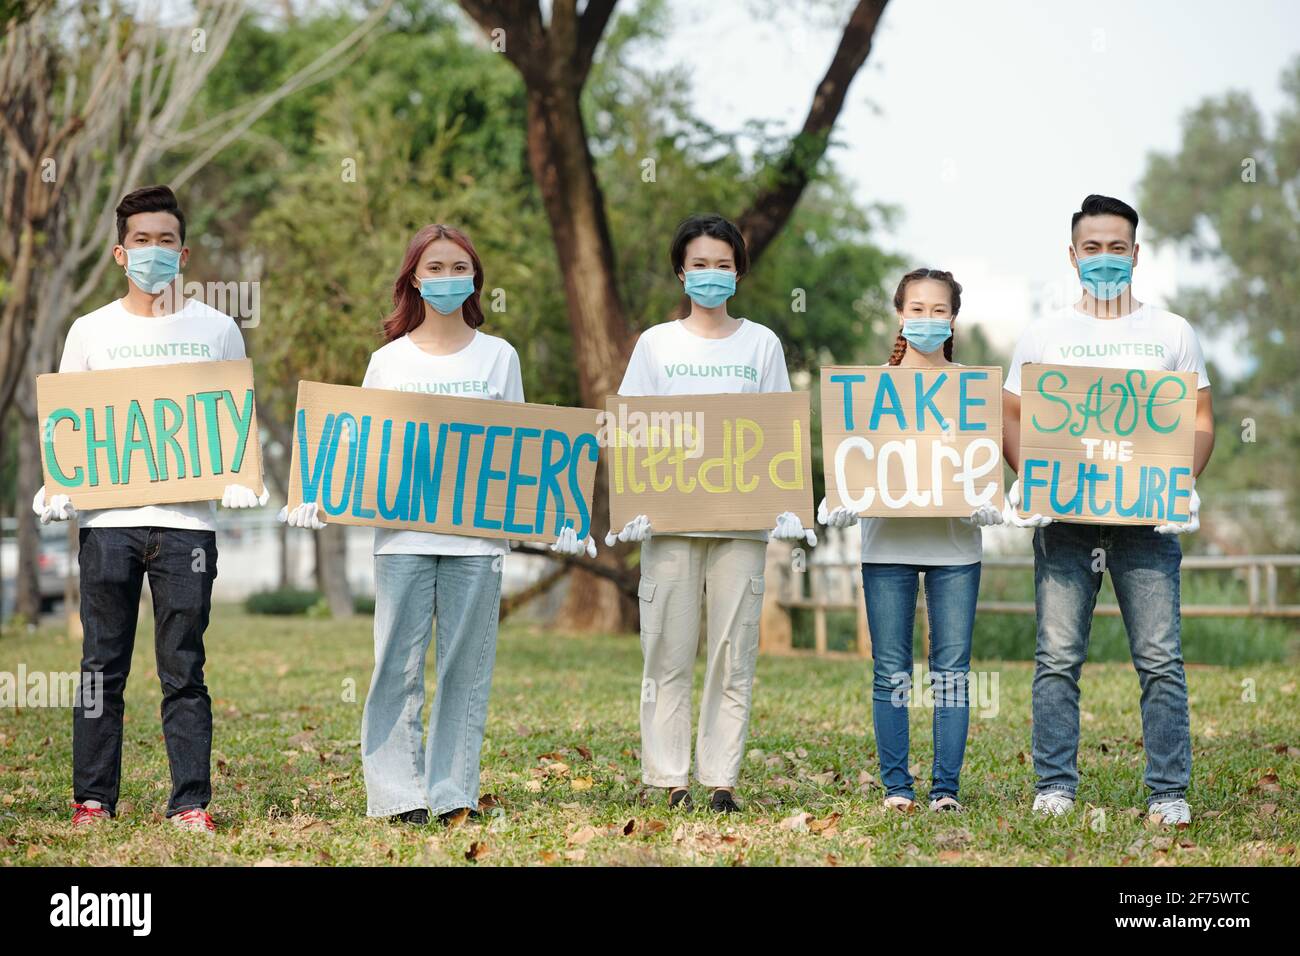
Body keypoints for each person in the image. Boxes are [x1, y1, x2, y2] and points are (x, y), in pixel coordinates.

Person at [280, 224, 595, 826]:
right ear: (413, 280)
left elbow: (517, 452)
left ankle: (454, 793)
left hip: (477, 544)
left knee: (464, 670)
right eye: (435, 268)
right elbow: (362, 447)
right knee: (394, 667)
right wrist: (319, 492)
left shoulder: (499, 356)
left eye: (458, 268)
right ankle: (399, 797)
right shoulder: (387, 361)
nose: (447, 279)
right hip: (400, 540)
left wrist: (560, 513)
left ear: (474, 278)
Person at [34, 185, 267, 833]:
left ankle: (190, 803)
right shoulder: (90, 331)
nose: (154, 252)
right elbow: (68, 428)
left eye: (166, 240)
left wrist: (245, 477)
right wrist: (57, 485)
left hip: (189, 526)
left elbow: (234, 426)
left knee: (184, 670)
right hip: (107, 525)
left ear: (184, 252)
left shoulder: (217, 330)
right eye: (142, 241)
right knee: (100, 666)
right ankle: (93, 800)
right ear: (119, 252)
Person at [1001, 195, 1214, 826]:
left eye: (1116, 248)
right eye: (1091, 248)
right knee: (1058, 656)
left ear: (1136, 254)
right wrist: (1027, 480)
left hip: (1148, 522)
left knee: (1159, 659)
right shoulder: (1044, 334)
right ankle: (1055, 785)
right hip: (1065, 522)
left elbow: (1199, 419)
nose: (1103, 259)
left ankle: (1169, 791)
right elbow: (1014, 417)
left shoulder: (1171, 332)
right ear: (1072, 256)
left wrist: (1185, 478)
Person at [607, 213, 816, 814]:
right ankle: (669, 778)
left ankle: (721, 779)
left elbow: (780, 432)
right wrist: (634, 508)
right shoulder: (656, 344)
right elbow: (630, 433)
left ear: (738, 273)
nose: (711, 274)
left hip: (741, 526)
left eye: (722, 265)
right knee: (666, 653)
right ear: (681, 271)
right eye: (699, 264)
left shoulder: (762, 343)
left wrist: (785, 509)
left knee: (733, 651)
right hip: (669, 525)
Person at [820, 269, 1002, 813]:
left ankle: (945, 790)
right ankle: (897, 788)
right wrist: (839, 498)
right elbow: (847, 461)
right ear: (901, 315)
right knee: (890, 672)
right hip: (885, 549)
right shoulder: (867, 389)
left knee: (951, 674)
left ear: (953, 318)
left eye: (938, 309)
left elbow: (986, 463)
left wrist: (992, 498)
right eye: (916, 309)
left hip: (956, 551)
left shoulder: (974, 390)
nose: (927, 319)